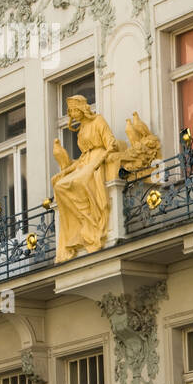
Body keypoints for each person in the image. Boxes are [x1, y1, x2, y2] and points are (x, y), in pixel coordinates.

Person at [52, 96, 119, 262]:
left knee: (79, 182)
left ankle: (92, 223)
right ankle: (79, 225)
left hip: (97, 159)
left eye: (75, 110)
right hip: (84, 162)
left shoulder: (98, 120)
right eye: (71, 112)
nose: (73, 114)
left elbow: (110, 142)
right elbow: (83, 155)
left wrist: (105, 154)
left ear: (83, 108)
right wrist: (65, 170)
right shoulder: (81, 128)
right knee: (59, 185)